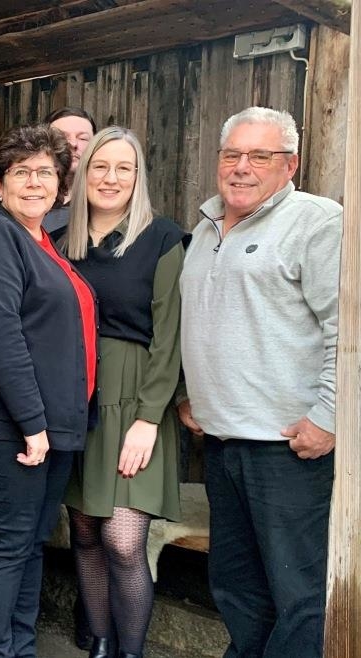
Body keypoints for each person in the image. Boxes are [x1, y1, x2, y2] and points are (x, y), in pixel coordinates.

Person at [178, 107, 341, 658]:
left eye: (260, 156)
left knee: (299, 596)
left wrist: (330, 416)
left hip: (289, 448)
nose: (242, 167)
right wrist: (190, 395)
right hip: (222, 444)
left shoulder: (317, 222)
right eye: (232, 154)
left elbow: (349, 328)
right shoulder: (204, 228)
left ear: (290, 164)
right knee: (237, 588)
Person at [0, 124, 96, 658]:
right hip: (15, 429)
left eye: (45, 172)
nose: (34, 182)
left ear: (62, 186)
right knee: (5, 546)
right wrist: (33, 422)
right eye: (21, 172)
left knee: (30, 546)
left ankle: (20, 648)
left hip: (52, 429)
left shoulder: (46, 242)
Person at [55, 127, 185, 658]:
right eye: (101, 166)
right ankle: (100, 647)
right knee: (85, 535)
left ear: (138, 178)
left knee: (124, 541)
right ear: (84, 175)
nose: (111, 178)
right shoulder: (62, 241)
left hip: (137, 402)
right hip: (77, 399)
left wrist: (149, 418)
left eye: (123, 168)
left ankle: (130, 652)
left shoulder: (162, 238)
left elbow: (170, 334)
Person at [43, 107, 96, 233]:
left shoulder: (103, 200)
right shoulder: (28, 195)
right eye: (62, 137)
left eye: (82, 138)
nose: (73, 143)